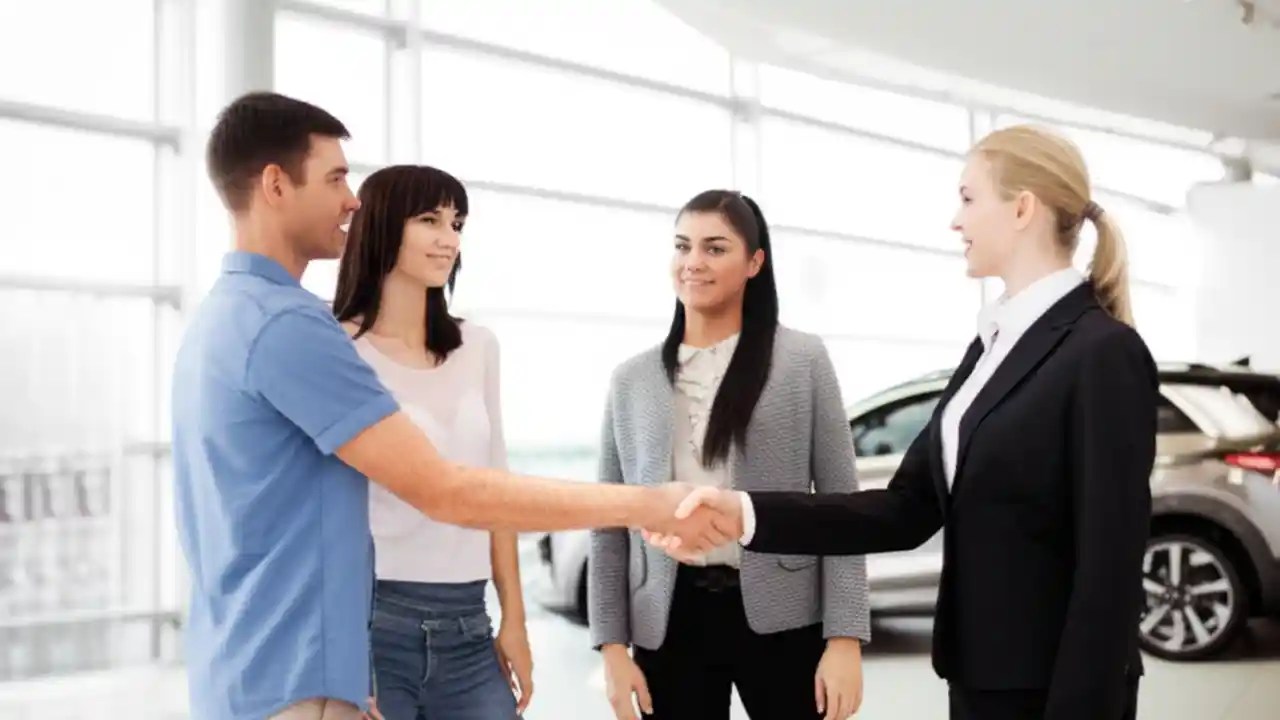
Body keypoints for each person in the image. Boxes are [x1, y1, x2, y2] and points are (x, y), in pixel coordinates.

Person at [172, 92, 726, 720]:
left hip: (258, 670)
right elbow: (448, 491)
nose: (352, 199)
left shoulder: (221, 319)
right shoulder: (292, 327)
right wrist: (648, 503)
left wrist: (507, 617)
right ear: (275, 184)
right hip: (299, 677)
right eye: (335, 178)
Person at [655, 126, 1158, 720]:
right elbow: (905, 508)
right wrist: (744, 512)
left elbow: (1109, 571)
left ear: (1023, 208)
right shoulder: (992, 348)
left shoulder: (1102, 351)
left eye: (969, 198)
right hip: (983, 674)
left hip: (1053, 691)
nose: (955, 220)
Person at [590, 190, 870, 720]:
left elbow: (841, 506)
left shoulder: (802, 360)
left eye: (715, 248)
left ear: (754, 263)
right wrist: (611, 649)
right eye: (683, 246)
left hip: (784, 613)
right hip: (669, 618)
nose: (693, 262)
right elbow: (610, 523)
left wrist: (845, 638)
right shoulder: (631, 379)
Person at [331, 164, 532, 719]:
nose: (450, 238)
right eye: (429, 220)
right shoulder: (336, 346)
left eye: (457, 222)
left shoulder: (478, 345)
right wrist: (341, 650)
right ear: (382, 226)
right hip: (373, 624)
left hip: (470, 624)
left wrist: (514, 618)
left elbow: (497, 491)